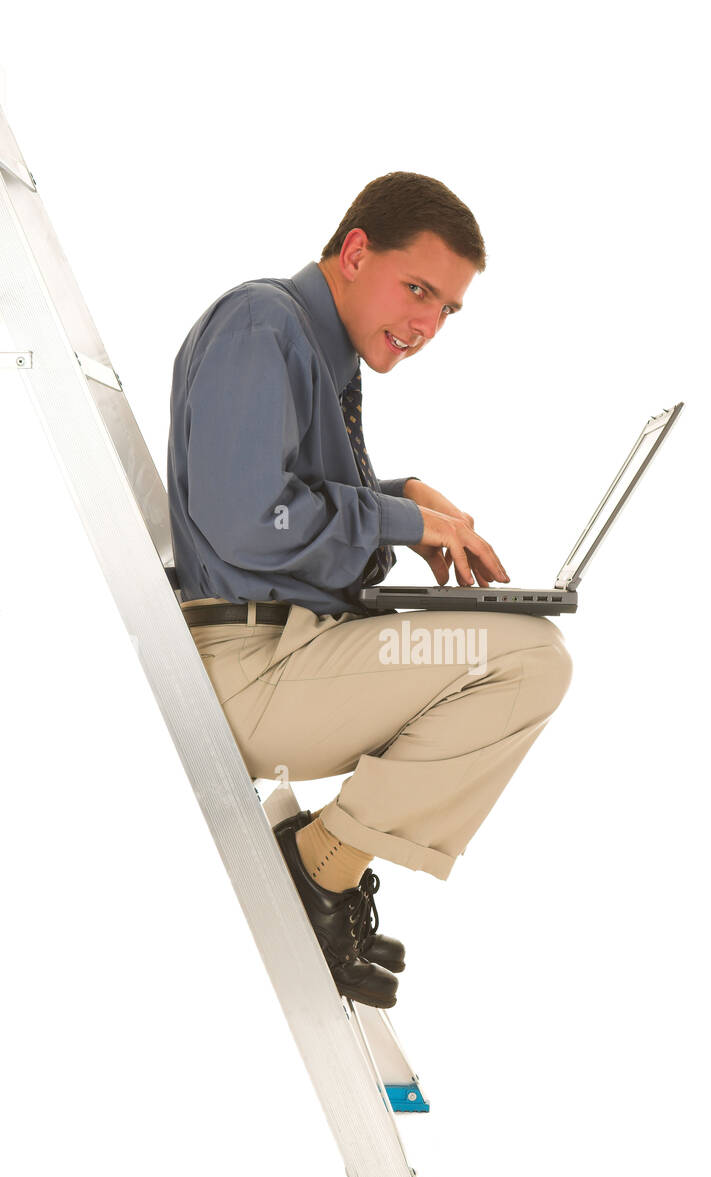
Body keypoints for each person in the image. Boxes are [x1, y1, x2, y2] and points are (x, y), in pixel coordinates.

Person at [167, 172, 573, 1009]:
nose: (426, 325)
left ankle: (329, 864)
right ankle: (322, 868)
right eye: (417, 289)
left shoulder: (321, 347)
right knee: (530, 659)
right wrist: (396, 520)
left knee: (518, 646)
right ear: (355, 252)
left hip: (289, 650)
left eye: (447, 310)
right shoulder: (262, 324)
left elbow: (277, 499)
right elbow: (248, 521)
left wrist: (404, 494)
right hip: (253, 671)